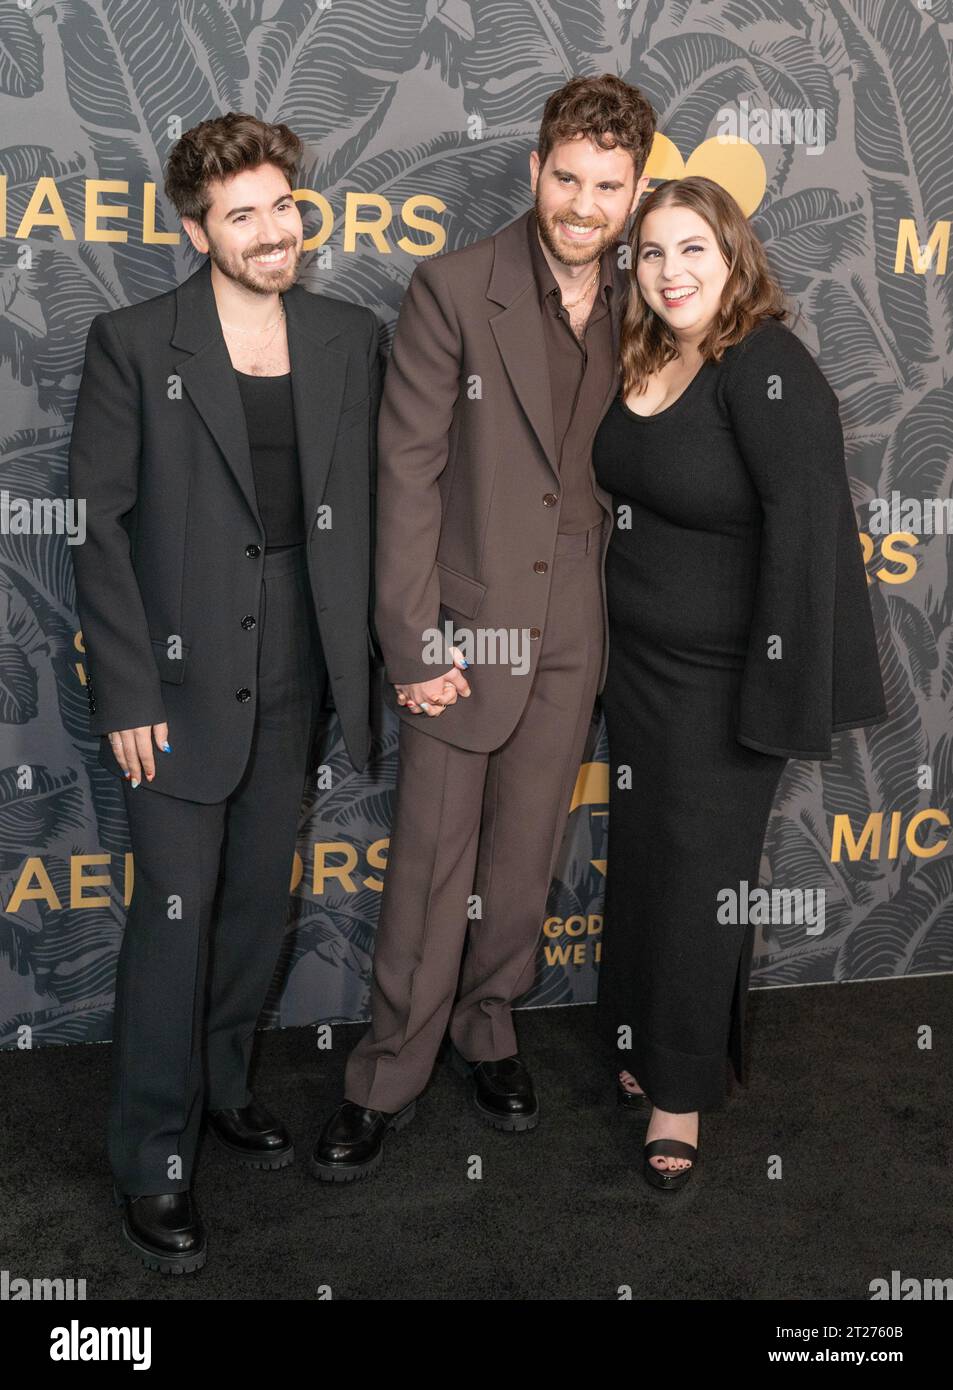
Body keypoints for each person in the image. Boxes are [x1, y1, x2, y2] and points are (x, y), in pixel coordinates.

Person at [310, 74, 656, 1180]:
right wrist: (412, 642)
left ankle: (489, 1026)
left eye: (607, 185)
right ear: (532, 171)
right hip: (462, 632)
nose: (582, 202)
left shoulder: (642, 302)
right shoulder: (453, 287)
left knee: (523, 857)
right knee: (427, 866)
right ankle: (387, 1071)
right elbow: (405, 475)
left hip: (573, 631)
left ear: (633, 189)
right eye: (566, 177)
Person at [68, 113, 381, 1270]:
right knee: (173, 918)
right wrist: (126, 692)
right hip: (175, 682)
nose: (269, 232)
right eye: (239, 215)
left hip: (297, 670)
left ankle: (221, 1084)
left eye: (280, 207)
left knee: (255, 902)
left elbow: (373, 515)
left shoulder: (348, 336)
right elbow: (99, 533)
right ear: (195, 228)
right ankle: (152, 1154)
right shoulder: (135, 341)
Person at [591, 175, 889, 1192]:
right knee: (641, 859)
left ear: (734, 261)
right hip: (634, 672)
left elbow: (807, 546)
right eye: (652, 253)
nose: (670, 272)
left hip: (724, 688)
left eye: (693, 251)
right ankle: (642, 1040)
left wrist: (771, 701)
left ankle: (678, 1097)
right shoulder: (647, 352)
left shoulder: (767, 369)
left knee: (693, 889)